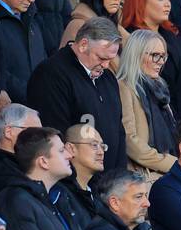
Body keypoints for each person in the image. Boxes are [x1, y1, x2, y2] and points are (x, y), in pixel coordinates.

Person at [26, 18, 126, 173]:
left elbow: (119, 130)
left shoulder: (107, 78)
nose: (106, 66)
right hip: (75, 182)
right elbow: (54, 134)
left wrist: (119, 178)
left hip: (109, 182)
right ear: (83, 45)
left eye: (110, 60)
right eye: (101, 58)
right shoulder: (51, 74)